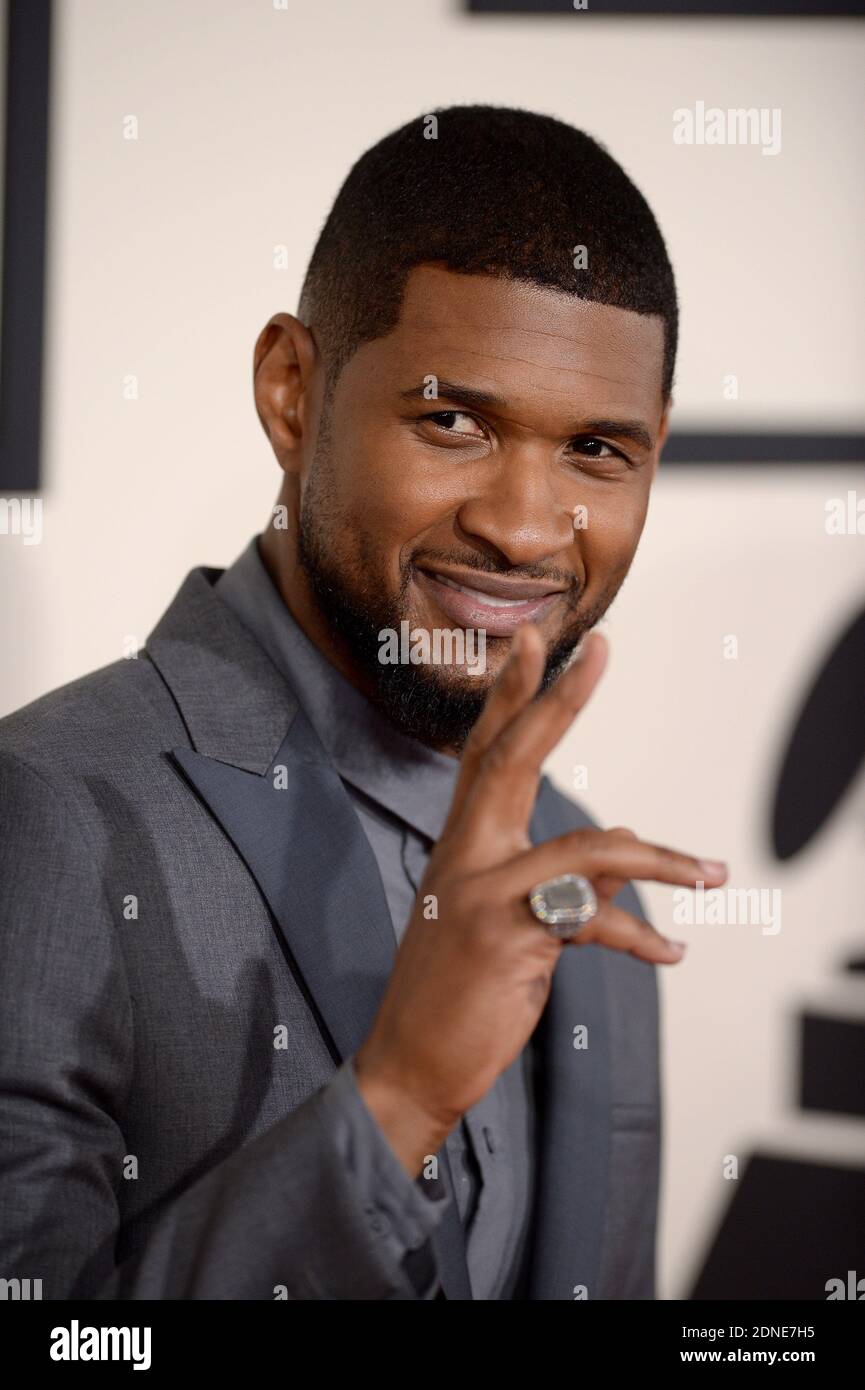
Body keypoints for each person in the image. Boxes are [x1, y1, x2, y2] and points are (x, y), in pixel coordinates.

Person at [0, 104, 726, 1300]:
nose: (524, 526)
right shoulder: (47, 816)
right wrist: (391, 1103)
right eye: (453, 421)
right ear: (293, 391)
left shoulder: (585, 885)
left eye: (598, 451)